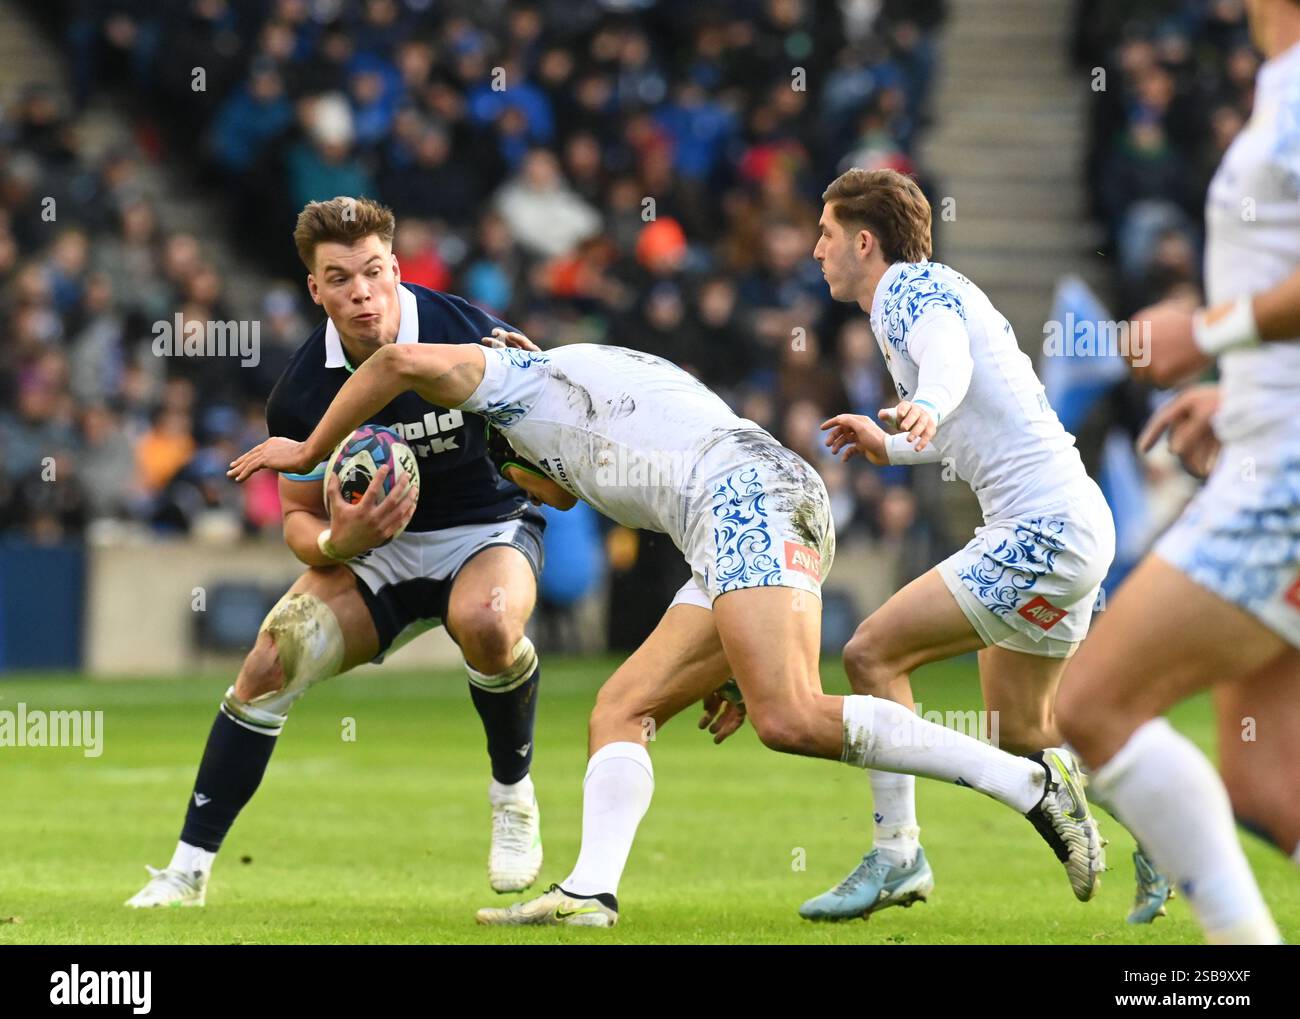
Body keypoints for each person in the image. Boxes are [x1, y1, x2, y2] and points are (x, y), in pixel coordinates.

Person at [228, 331, 1102, 929]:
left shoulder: (517, 383)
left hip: (745, 499)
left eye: (519, 482)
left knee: (789, 716)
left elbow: (393, 359)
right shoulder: (592, 383)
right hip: (752, 504)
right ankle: (590, 892)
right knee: (622, 707)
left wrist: (306, 453)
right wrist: (727, 645)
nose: (538, 495)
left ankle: (1026, 785)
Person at [126, 197, 546, 908]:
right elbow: (295, 516)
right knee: (268, 661)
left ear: (396, 268)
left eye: (374, 272)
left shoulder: (465, 330)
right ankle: (186, 872)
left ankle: (512, 793)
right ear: (315, 288)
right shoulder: (302, 389)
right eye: (340, 277)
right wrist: (334, 542)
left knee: (490, 622)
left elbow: (546, 434)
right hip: (373, 553)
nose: (362, 292)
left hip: (485, 528)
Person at [787, 167, 1137, 921]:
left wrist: (925, 403)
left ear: (865, 240)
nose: (815, 249)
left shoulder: (910, 292)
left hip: (1040, 528)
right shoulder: (929, 288)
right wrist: (895, 440)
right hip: (1072, 520)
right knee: (1025, 734)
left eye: (825, 233)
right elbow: (978, 420)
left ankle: (896, 855)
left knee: (870, 655)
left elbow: (950, 365)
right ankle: (1163, 844)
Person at [1055, 0, 1300, 945]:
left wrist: (1205, 335)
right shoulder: (1273, 80)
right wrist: (1233, 388)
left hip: (1284, 471)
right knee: (1269, 784)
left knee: (1092, 702)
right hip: (1266, 439)